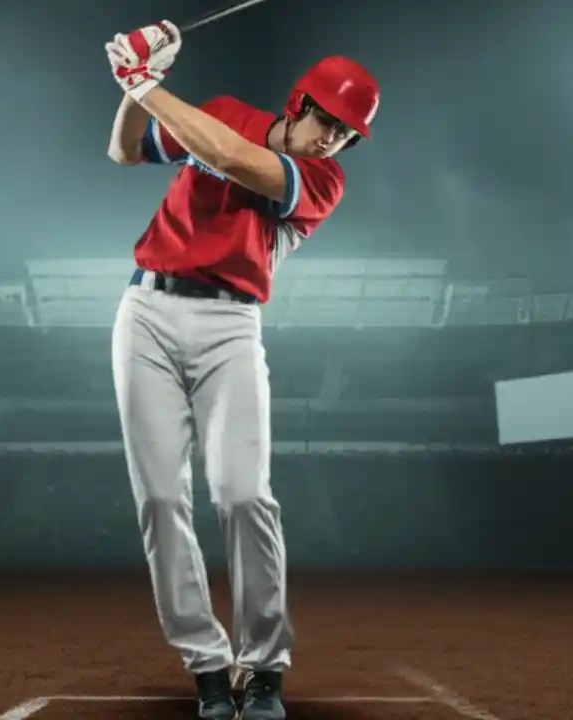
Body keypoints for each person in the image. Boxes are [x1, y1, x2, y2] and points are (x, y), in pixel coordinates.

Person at [102, 19, 379, 720]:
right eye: (330, 121)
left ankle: (264, 669)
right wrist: (140, 88)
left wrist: (144, 81)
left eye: (348, 133)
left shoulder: (323, 180)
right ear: (301, 103)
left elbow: (228, 157)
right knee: (160, 499)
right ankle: (206, 666)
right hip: (147, 313)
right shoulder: (224, 109)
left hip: (231, 325)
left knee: (242, 494)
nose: (335, 138)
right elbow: (124, 149)